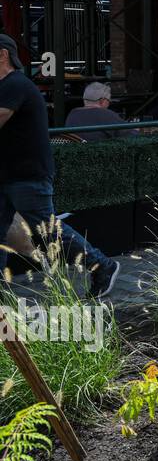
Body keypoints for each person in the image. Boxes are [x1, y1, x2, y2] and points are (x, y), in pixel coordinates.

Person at [0, 33, 120, 296]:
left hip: (26, 174)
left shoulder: (15, 84)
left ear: (3, 55)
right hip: (8, 173)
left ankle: (102, 265)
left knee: (49, 230)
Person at [65, 81, 137, 141]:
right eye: (109, 100)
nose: (109, 103)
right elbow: (133, 136)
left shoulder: (72, 113)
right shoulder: (106, 115)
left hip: (75, 155)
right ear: (102, 101)